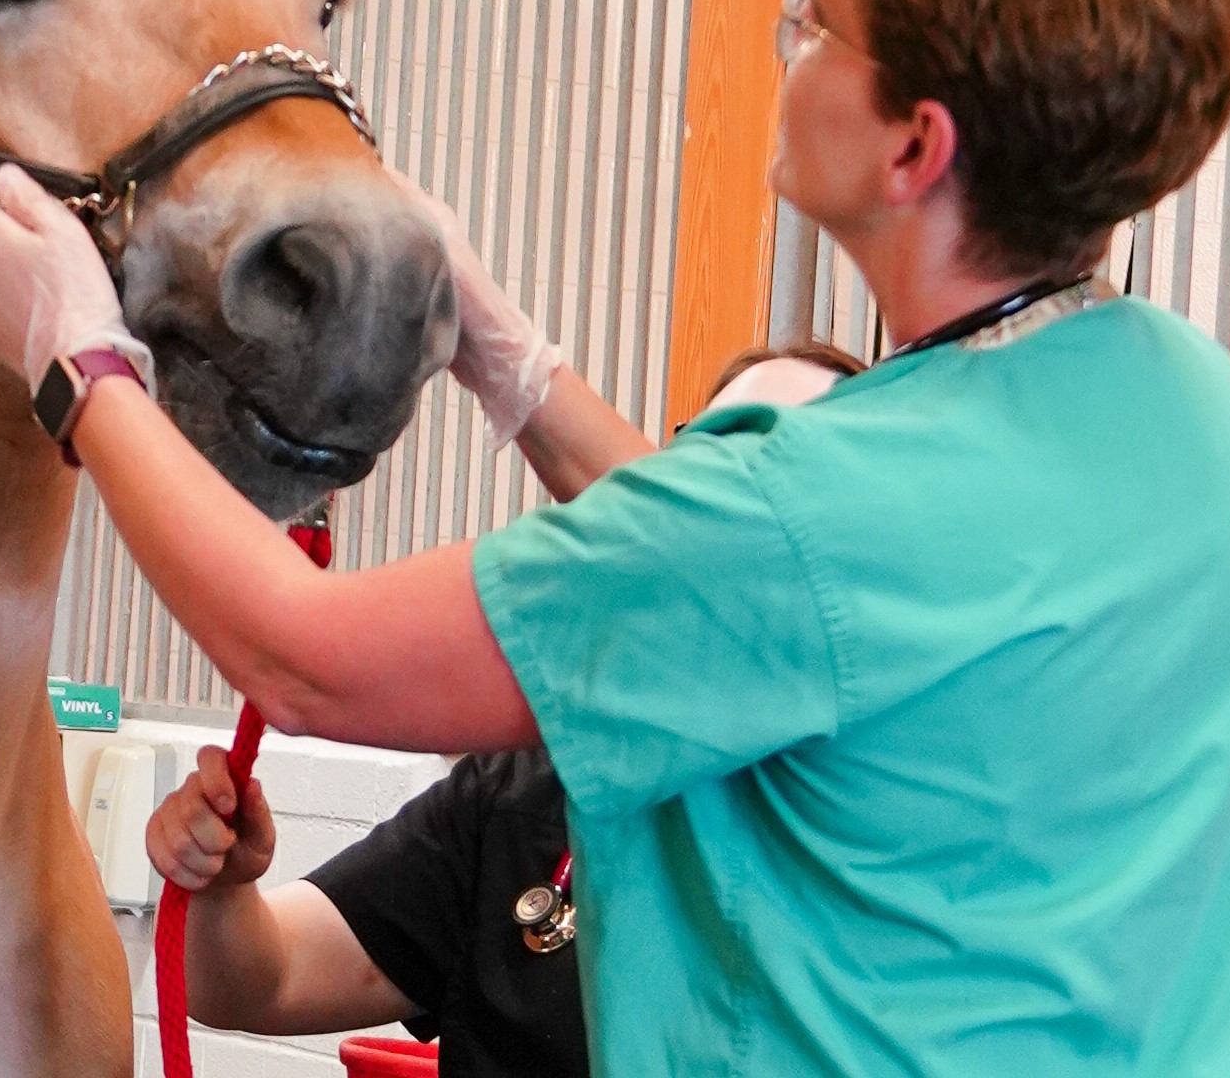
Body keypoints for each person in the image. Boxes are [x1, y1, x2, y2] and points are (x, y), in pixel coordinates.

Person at [0, 0, 1230, 1075]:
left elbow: (304, 658)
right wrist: (512, 369)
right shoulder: (1191, 413)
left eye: (816, 22)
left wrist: (81, 365)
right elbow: (786, 602)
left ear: (914, 149)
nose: (785, 42)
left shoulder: (816, 516)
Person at [141, 344, 863, 1078]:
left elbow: (299, 669)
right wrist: (224, 889)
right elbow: (266, 981)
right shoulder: (525, 795)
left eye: (773, 475)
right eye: (707, 465)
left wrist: (94, 389)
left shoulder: (886, 844)